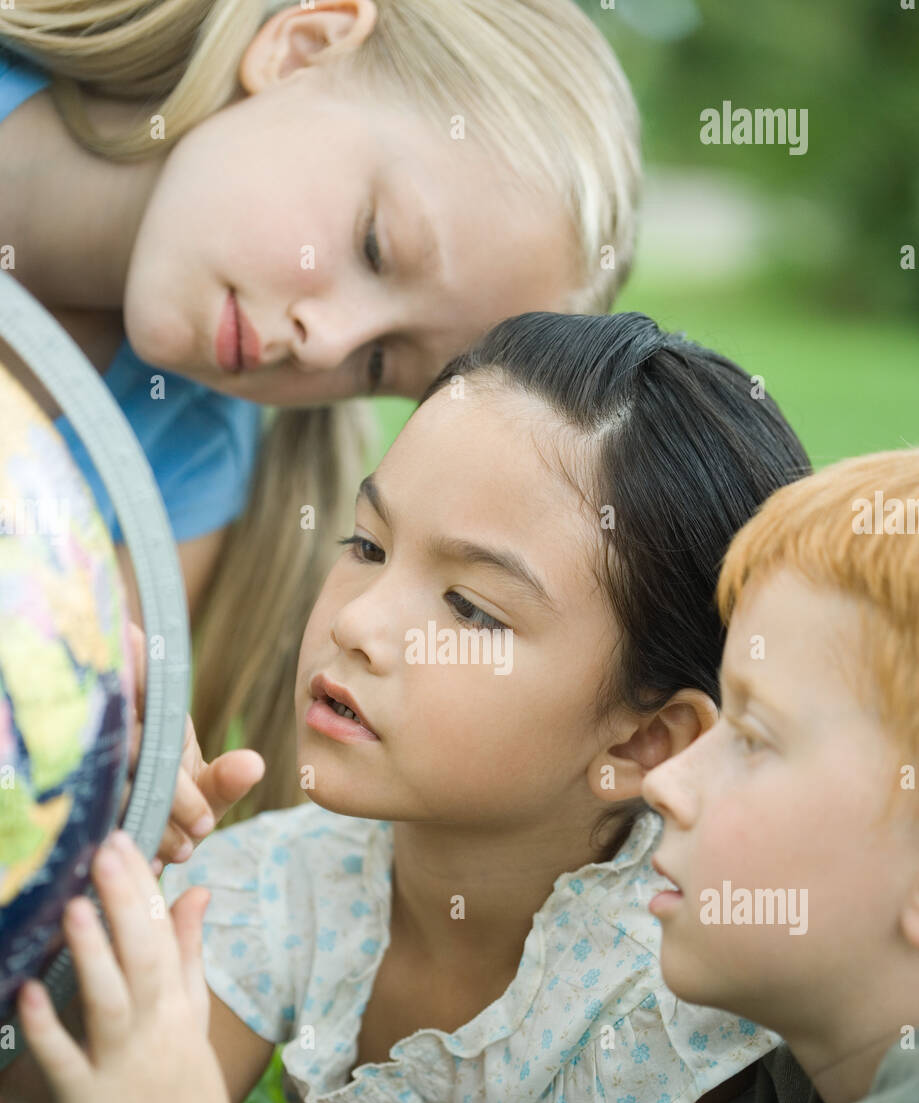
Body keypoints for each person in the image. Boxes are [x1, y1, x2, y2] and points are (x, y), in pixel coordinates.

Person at [0, 311, 813, 1103]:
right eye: (367, 543)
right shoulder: (286, 877)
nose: (361, 621)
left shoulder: (662, 985)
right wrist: (94, 841)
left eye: (470, 606)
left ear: (642, 740)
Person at [0, 0, 640, 819]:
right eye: (375, 247)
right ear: (302, 47)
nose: (325, 341)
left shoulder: (182, 468)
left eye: (379, 363)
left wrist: (88, 801)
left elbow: (42, 758)